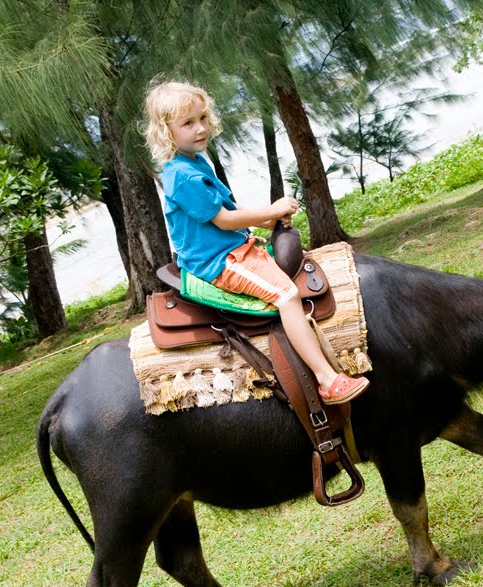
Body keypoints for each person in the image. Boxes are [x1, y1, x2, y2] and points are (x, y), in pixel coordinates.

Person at [142, 79, 368, 405]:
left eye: (203, 118)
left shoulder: (195, 162)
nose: (200, 128)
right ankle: (327, 379)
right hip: (219, 260)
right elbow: (224, 221)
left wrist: (268, 219)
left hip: (233, 246)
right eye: (188, 123)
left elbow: (232, 210)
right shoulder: (183, 175)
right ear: (167, 132)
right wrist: (273, 209)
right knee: (287, 295)